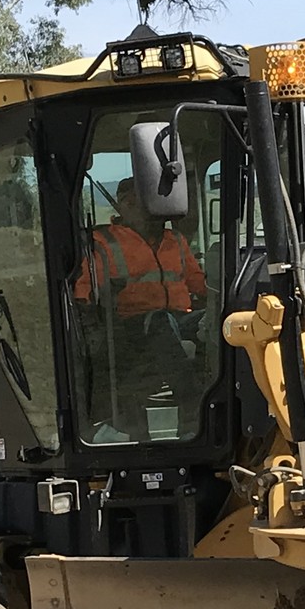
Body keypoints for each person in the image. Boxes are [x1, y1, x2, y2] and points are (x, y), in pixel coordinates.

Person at [71, 177, 209, 438]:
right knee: (159, 321)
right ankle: (191, 402)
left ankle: (204, 413)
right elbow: (83, 292)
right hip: (129, 328)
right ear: (122, 206)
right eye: (128, 200)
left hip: (179, 320)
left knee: (216, 320)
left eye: (140, 200)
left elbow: (199, 284)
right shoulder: (103, 242)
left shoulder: (175, 240)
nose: (135, 206)